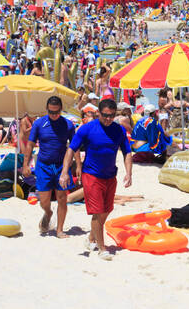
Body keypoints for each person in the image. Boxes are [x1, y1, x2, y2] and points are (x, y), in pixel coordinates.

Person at [59, 97, 133, 259]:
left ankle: (91, 238)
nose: (108, 119)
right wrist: (65, 171)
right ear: (98, 113)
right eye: (105, 115)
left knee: (106, 210)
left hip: (110, 175)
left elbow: (127, 152)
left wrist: (129, 173)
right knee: (98, 212)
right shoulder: (87, 129)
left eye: (111, 116)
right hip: (91, 175)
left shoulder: (119, 130)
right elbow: (71, 150)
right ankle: (102, 248)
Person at [26, 95, 76, 238]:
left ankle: (60, 230)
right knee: (44, 200)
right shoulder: (39, 123)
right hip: (43, 165)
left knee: (62, 198)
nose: (54, 115)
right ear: (46, 110)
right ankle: (48, 212)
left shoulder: (68, 125)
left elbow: (74, 147)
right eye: (51, 112)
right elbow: (30, 144)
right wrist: (26, 164)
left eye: (57, 112)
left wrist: (78, 165)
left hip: (61, 166)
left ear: (61, 110)